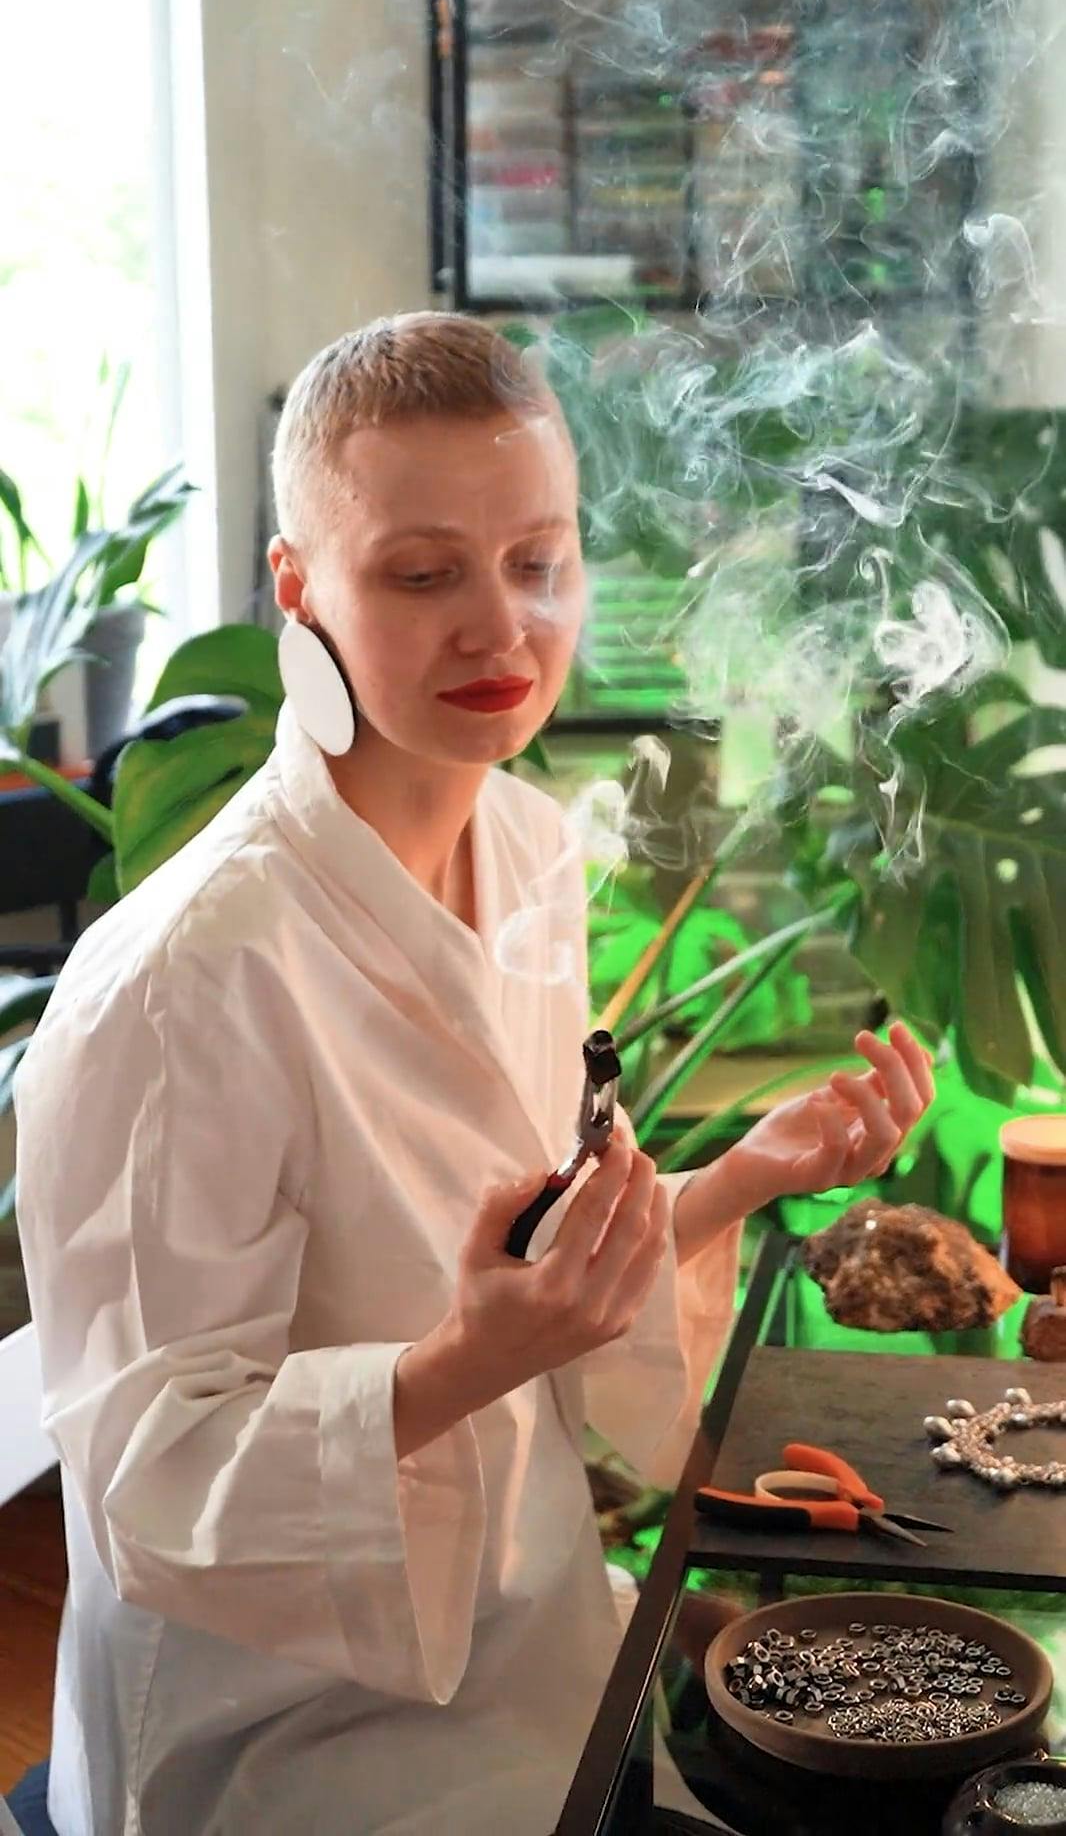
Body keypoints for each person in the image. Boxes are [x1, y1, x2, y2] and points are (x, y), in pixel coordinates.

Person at [14, 312, 934, 1836]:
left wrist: (743, 1176)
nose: (500, 634)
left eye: (537, 562)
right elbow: (153, 1490)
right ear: (297, 588)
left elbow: (537, 1262)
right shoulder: (186, 981)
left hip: (531, 1616)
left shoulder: (526, 849)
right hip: (280, 1725)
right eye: (422, 572)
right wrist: (465, 1364)